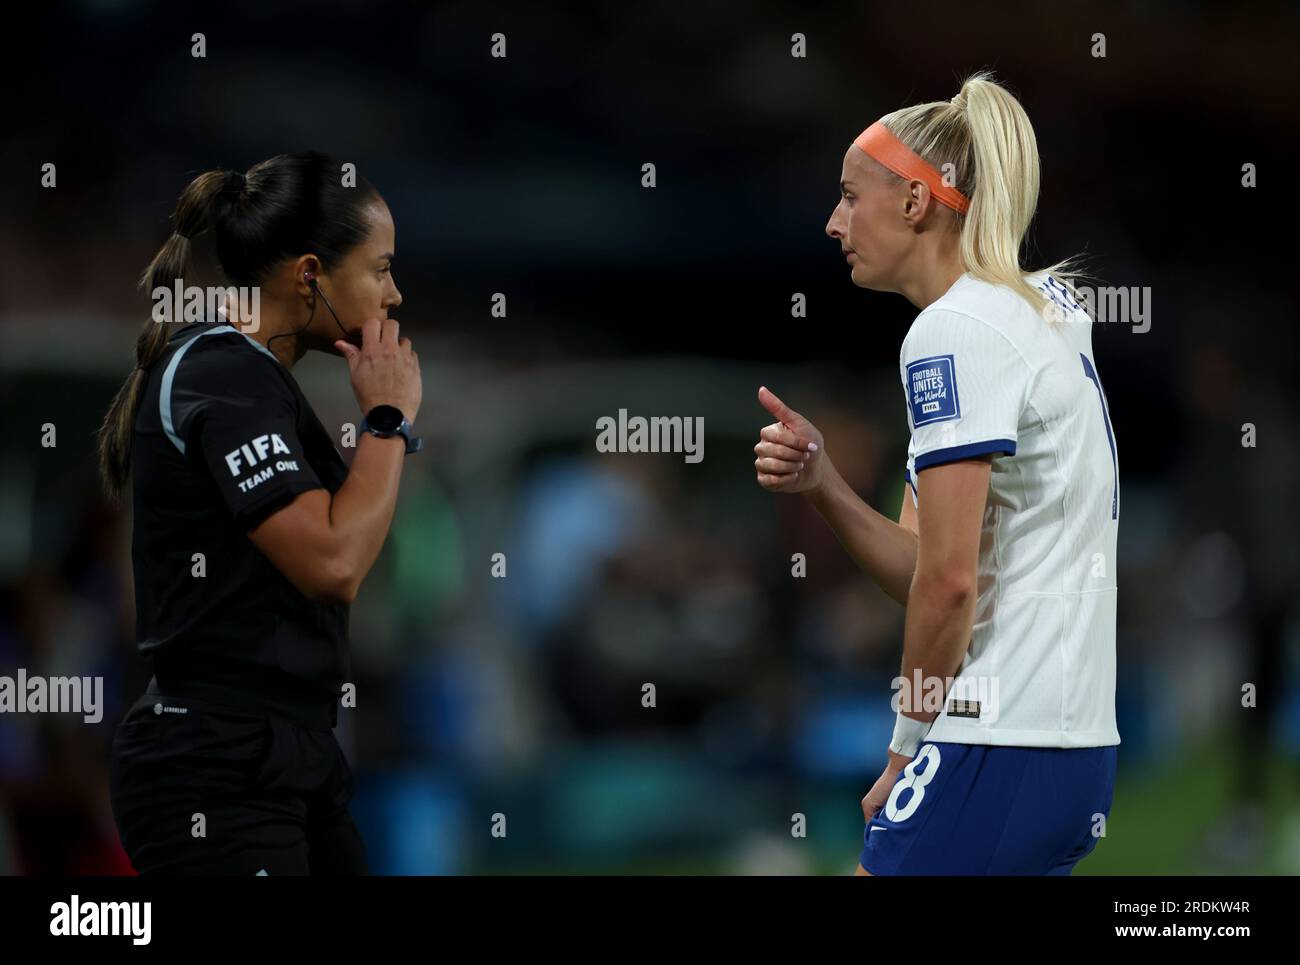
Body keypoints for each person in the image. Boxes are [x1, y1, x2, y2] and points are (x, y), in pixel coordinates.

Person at [754, 72, 1120, 875]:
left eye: (852, 197)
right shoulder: (1039, 308)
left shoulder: (953, 334)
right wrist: (825, 483)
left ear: (916, 202)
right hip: (1070, 743)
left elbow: (951, 585)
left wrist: (907, 744)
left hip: (1001, 736)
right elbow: (927, 568)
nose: (833, 221)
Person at [99, 152, 423, 874]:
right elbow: (332, 562)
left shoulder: (251, 377)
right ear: (310, 274)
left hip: (282, 754)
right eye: (380, 269)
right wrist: (388, 420)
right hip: (212, 769)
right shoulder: (223, 373)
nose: (394, 294)